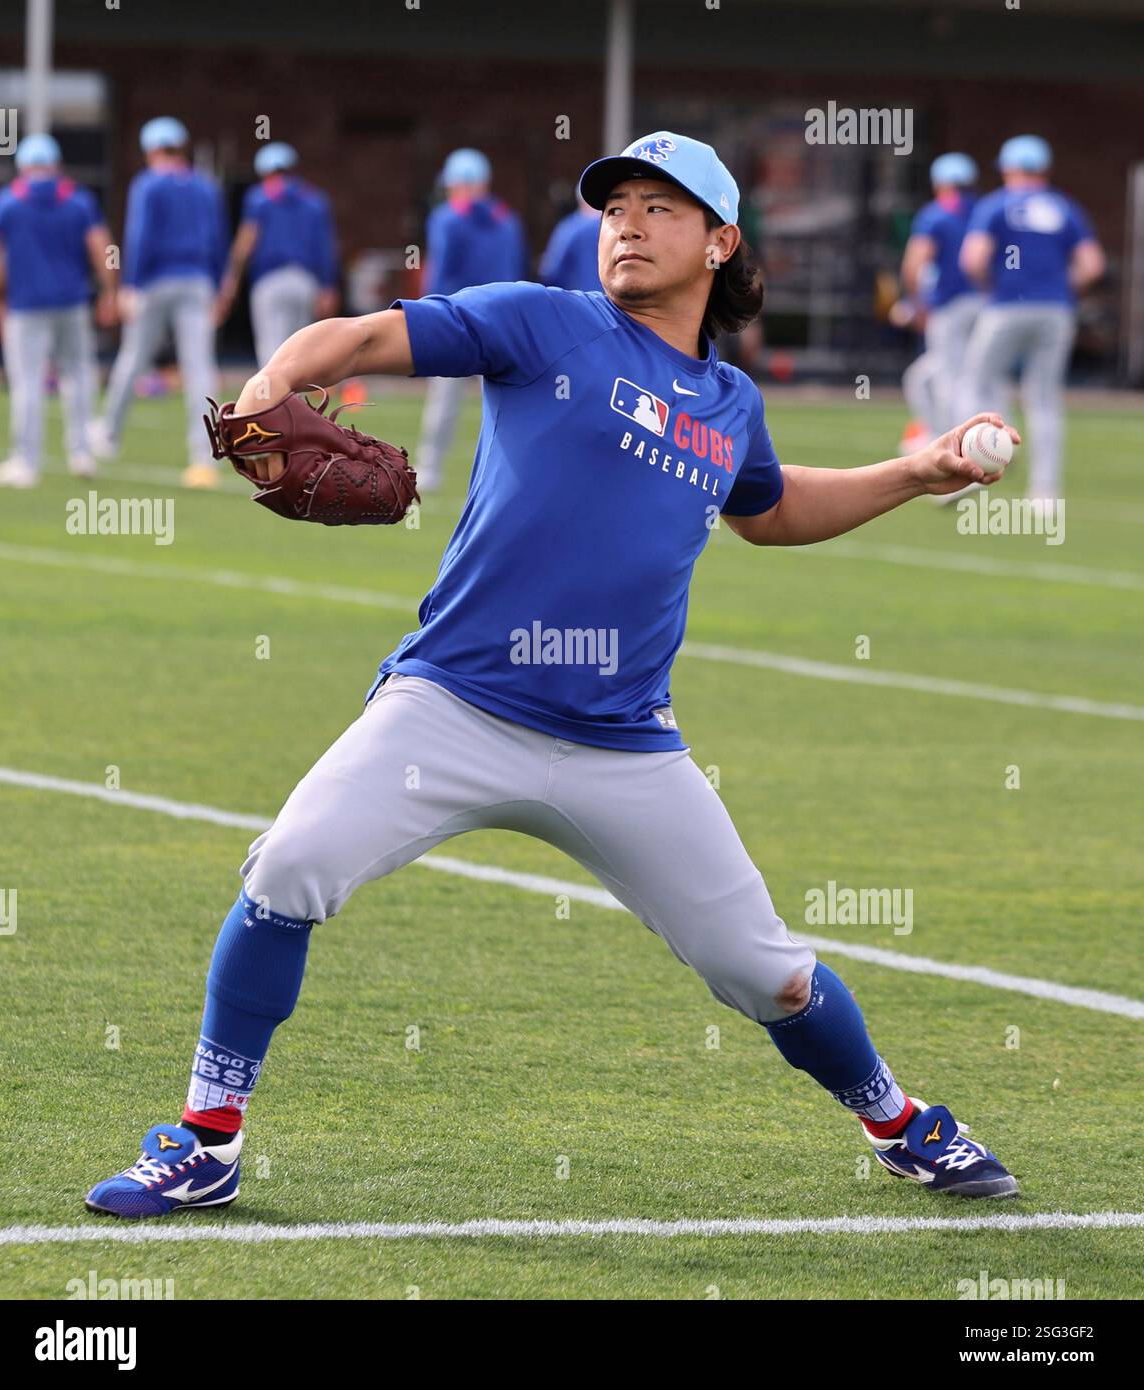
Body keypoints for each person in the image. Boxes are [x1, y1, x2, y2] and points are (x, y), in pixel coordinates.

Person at [85, 131, 1020, 1220]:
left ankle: (900, 1122)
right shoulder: (545, 320)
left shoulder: (727, 403)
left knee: (767, 972)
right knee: (288, 866)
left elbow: (769, 513)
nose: (626, 222)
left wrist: (915, 469)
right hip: (453, 703)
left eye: (659, 208)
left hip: (624, 741)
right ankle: (205, 1140)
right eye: (615, 205)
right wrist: (275, 379)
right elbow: (362, 335)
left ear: (720, 242)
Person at [959, 135, 1104, 499]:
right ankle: (1045, 492)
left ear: (1010, 169)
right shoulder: (1066, 208)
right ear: (1045, 170)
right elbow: (1092, 265)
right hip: (1056, 310)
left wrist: (993, 285)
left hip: (1006, 306)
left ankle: (969, 470)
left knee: (976, 383)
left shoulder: (996, 206)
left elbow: (973, 259)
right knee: (1043, 398)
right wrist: (1060, 288)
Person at [88, 117, 229, 489]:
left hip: (154, 282)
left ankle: (108, 435)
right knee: (200, 367)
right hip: (198, 282)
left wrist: (129, 284)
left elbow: (139, 235)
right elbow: (217, 240)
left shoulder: (147, 184)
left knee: (133, 358)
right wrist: (217, 285)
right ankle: (205, 454)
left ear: (151, 149)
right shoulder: (204, 186)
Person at [0, 133, 116, 487]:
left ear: (23, 167)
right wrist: (110, 292)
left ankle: (26, 462)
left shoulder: (8, 202)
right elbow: (102, 247)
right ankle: (80, 452)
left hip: (25, 305)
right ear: (56, 166)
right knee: (78, 375)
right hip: (71, 303)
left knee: (27, 382)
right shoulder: (79, 201)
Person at [413, 147, 526, 492]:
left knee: (444, 399)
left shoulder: (448, 218)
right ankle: (509, 478)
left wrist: (426, 315)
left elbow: (441, 271)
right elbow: (516, 272)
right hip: (502, 321)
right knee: (505, 406)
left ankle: (429, 470)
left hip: (456, 319)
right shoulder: (508, 220)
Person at [216, 142, 340, 366]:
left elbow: (246, 243)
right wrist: (327, 287)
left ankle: (272, 400)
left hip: (269, 282)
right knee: (299, 351)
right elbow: (325, 248)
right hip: (305, 283)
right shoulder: (314, 200)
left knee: (271, 352)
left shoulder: (259, 198)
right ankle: (295, 399)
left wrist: (230, 280)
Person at [898, 152, 983, 451]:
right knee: (925, 378)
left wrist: (916, 304)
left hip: (949, 306)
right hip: (987, 308)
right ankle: (935, 434)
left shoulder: (935, 213)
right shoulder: (983, 210)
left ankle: (958, 445)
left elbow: (914, 264)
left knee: (951, 380)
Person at [539, 191, 601, 291]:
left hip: (578, 300)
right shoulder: (616, 227)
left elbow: (552, 271)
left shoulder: (569, 228)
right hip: (611, 302)